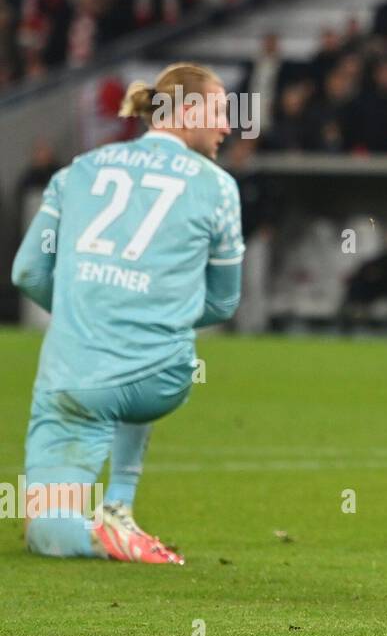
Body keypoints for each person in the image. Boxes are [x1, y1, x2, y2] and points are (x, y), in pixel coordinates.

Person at [10, 62, 243, 564]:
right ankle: (117, 511)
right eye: (222, 112)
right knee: (138, 367)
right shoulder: (218, 186)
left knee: (44, 528)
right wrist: (151, 312)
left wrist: (86, 312)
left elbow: (28, 273)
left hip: (72, 377)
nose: (228, 125)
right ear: (186, 110)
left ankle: (100, 524)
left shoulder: (77, 171)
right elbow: (224, 301)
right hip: (158, 376)